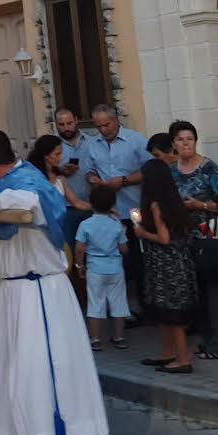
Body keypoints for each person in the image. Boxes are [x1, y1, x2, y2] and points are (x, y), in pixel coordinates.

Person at [0, 129, 107, 435]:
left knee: (57, 372)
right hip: (11, 292)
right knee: (22, 375)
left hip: (42, 291)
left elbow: (23, 204)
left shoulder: (31, 181)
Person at [168, 119, 218, 360]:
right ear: (174, 144)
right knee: (195, 292)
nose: (185, 143)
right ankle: (206, 340)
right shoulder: (172, 171)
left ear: (195, 141)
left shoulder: (209, 169)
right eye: (180, 139)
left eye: (189, 139)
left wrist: (200, 205)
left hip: (210, 238)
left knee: (216, 291)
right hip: (184, 240)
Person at [82, 105, 151, 316]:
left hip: (133, 208)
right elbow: (88, 170)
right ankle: (123, 310)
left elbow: (150, 169)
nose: (103, 129)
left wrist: (124, 181)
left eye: (107, 124)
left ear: (116, 120)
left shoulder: (136, 140)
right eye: (98, 126)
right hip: (108, 213)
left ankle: (145, 305)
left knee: (138, 260)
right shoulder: (92, 145)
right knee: (117, 261)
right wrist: (92, 178)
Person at [133, 158, 197, 374]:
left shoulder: (156, 204)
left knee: (172, 314)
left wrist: (142, 233)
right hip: (179, 262)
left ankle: (182, 358)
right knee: (167, 314)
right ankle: (168, 352)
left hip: (165, 265)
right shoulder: (174, 200)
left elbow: (163, 238)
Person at [74, 186, 129, 351]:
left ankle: (95, 339)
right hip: (115, 267)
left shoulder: (85, 224)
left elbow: (79, 248)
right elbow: (124, 249)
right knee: (118, 302)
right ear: (113, 203)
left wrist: (79, 265)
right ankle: (119, 337)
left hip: (95, 267)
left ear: (91, 203)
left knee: (95, 302)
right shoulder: (117, 224)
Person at [30, 134, 92, 227]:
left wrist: (102, 209)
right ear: (45, 155)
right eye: (57, 154)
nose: (61, 157)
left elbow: (77, 203)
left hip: (57, 226)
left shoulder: (59, 177)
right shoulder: (33, 177)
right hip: (37, 227)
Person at [54, 110, 94, 252]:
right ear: (56, 125)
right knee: (69, 250)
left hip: (91, 205)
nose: (66, 128)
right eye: (61, 124)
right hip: (66, 208)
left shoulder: (92, 142)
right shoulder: (53, 147)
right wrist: (60, 170)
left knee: (92, 250)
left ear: (76, 121)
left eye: (69, 123)